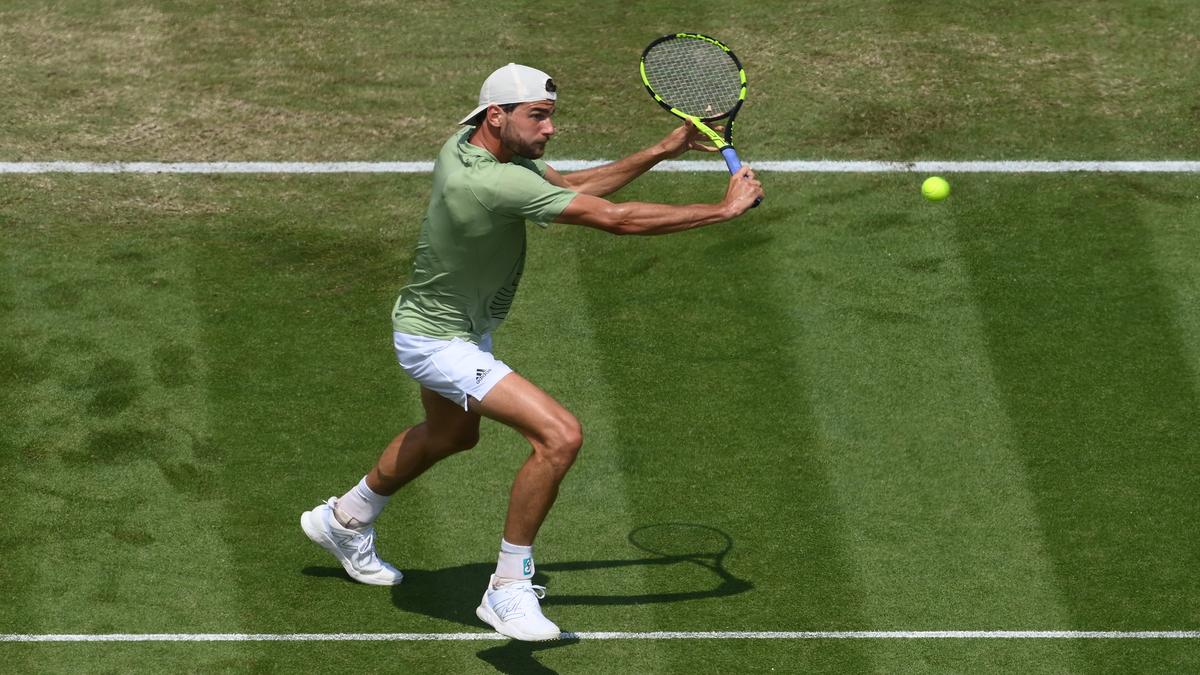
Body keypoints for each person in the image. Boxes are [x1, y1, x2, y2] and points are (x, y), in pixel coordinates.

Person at [301, 63, 763, 642]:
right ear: (498, 115)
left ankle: (345, 519)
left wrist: (662, 149)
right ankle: (507, 589)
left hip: (449, 327)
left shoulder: (477, 148)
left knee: (451, 435)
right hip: (437, 341)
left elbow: (567, 189)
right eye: (538, 117)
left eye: (550, 117)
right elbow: (614, 220)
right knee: (559, 436)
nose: (549, 130)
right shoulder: (492, 181)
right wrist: (721, 210)